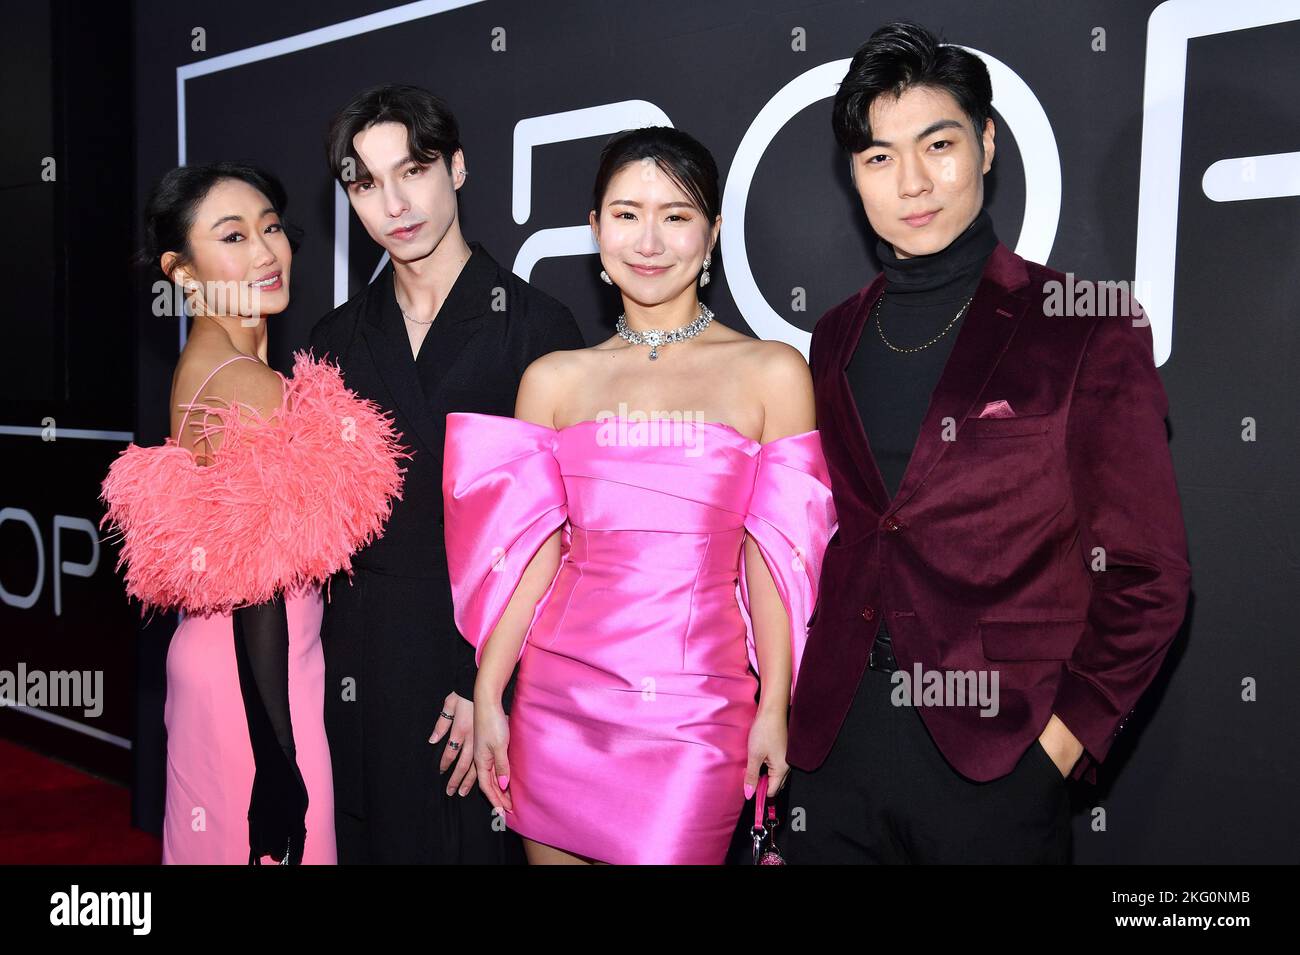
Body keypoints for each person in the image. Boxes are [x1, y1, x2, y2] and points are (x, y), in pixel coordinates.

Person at [782, 20, 1192, 863]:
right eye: (878, 157)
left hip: (995, 769)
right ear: (854, 176)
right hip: (832, 760)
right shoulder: (831, 339)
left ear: (988, 144)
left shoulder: (1087, 324)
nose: (913, 181)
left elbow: (1150, 575)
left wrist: (1061, 746)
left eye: (938, 143)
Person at [441, 126, 837, 864]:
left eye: (676, 215)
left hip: (697, 712)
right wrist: (490, 690)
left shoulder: (771, 372)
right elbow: (535, 552)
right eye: (626, 214)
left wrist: (774, 705)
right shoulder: (554, 380)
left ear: (712, 231)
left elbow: (775, 559)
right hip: (556, 702)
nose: (649, 240)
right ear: (595, 231)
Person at [100, 162, 408, 864]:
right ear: (182, 270)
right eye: (233, 235)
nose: (266, 252)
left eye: (272, 227)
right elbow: (258, 589)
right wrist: (278, 764)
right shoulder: (245, 383)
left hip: (232, 671)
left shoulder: (206, 363)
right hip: (255, 692)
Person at [309, 84, 585, 864]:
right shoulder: (333, 339)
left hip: (480, 675)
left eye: (414, 169)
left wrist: (488, 682)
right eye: (364, 183)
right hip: (359, 671)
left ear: (457, 168)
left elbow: (563, 537)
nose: (394, 202)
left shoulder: (538, 327)